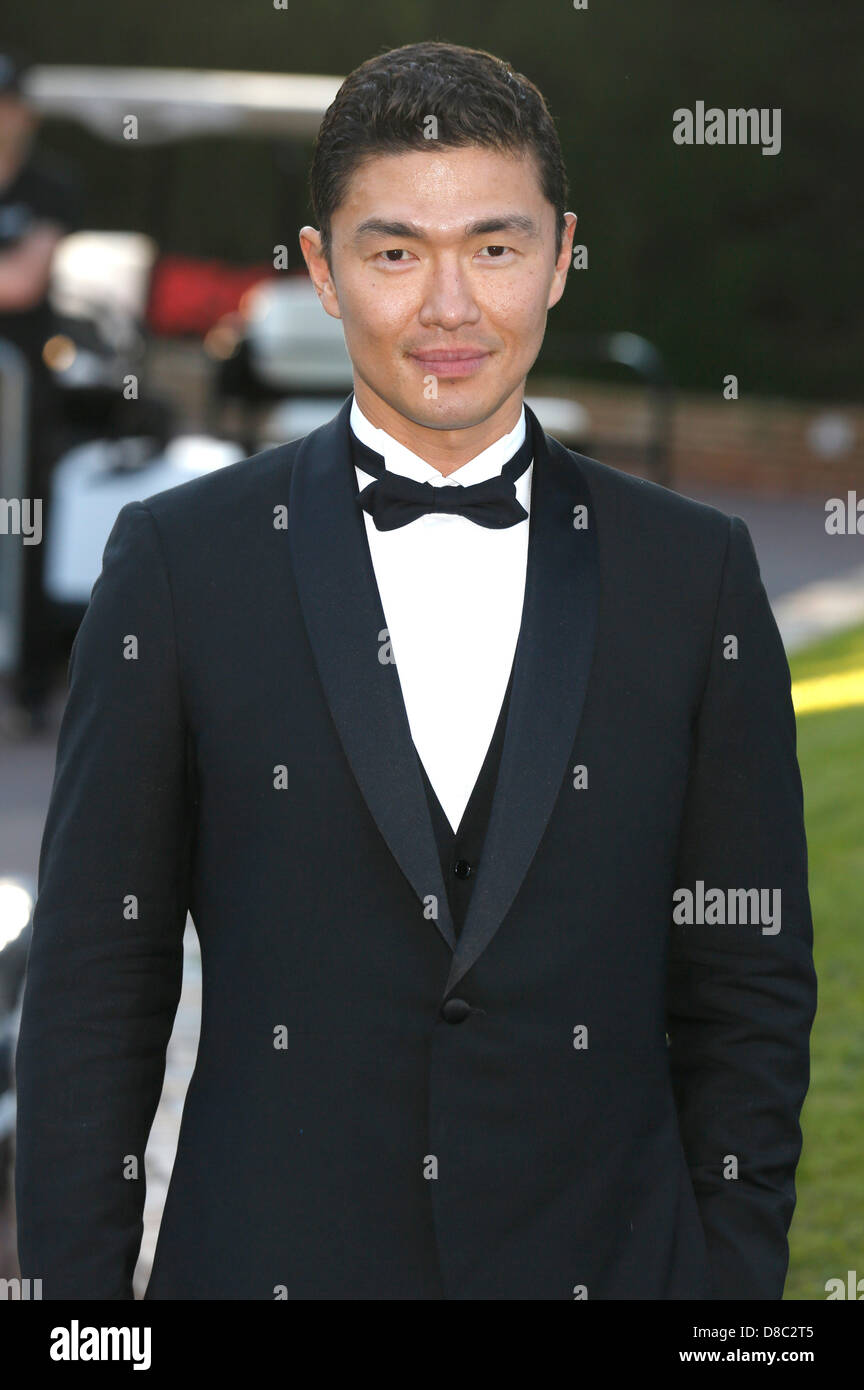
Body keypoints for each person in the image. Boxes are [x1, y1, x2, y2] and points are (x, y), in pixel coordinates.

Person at [14, 40, 816, 1300]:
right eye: (396, 252)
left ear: (561, 256)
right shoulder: (179, 562)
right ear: (324, 272)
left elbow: (749, 988)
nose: (450, 307)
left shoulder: (696, 575)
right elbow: (93, 989)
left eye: (494, 248)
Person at [0, 51, 81, 727]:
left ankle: (26, 682)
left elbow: (22, 282)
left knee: (19, 525)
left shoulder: (46, 187)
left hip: (21, 399)